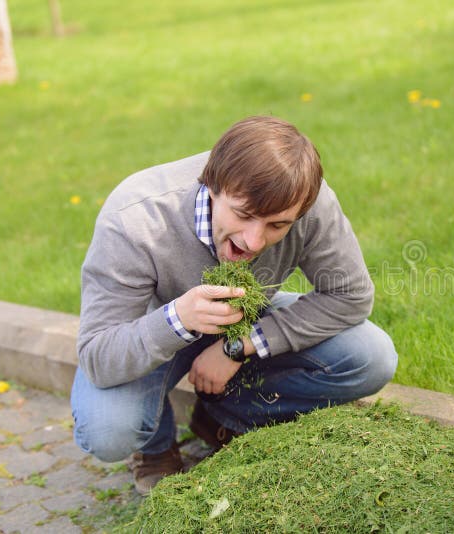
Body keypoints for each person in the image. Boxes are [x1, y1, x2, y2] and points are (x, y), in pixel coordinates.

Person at [71, 116, 398, 495]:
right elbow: (97, 354)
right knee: (108, 430)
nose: (255, 240)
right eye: (243, 215)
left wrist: (240, 346)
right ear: (211, 184)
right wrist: (179, 318)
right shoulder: (135, 218)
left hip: (245, 318)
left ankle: (221, 415)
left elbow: (351, 295)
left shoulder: (307, 201)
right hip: (154, 322)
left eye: (277, 225)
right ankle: (155, 448)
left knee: (372, 356)